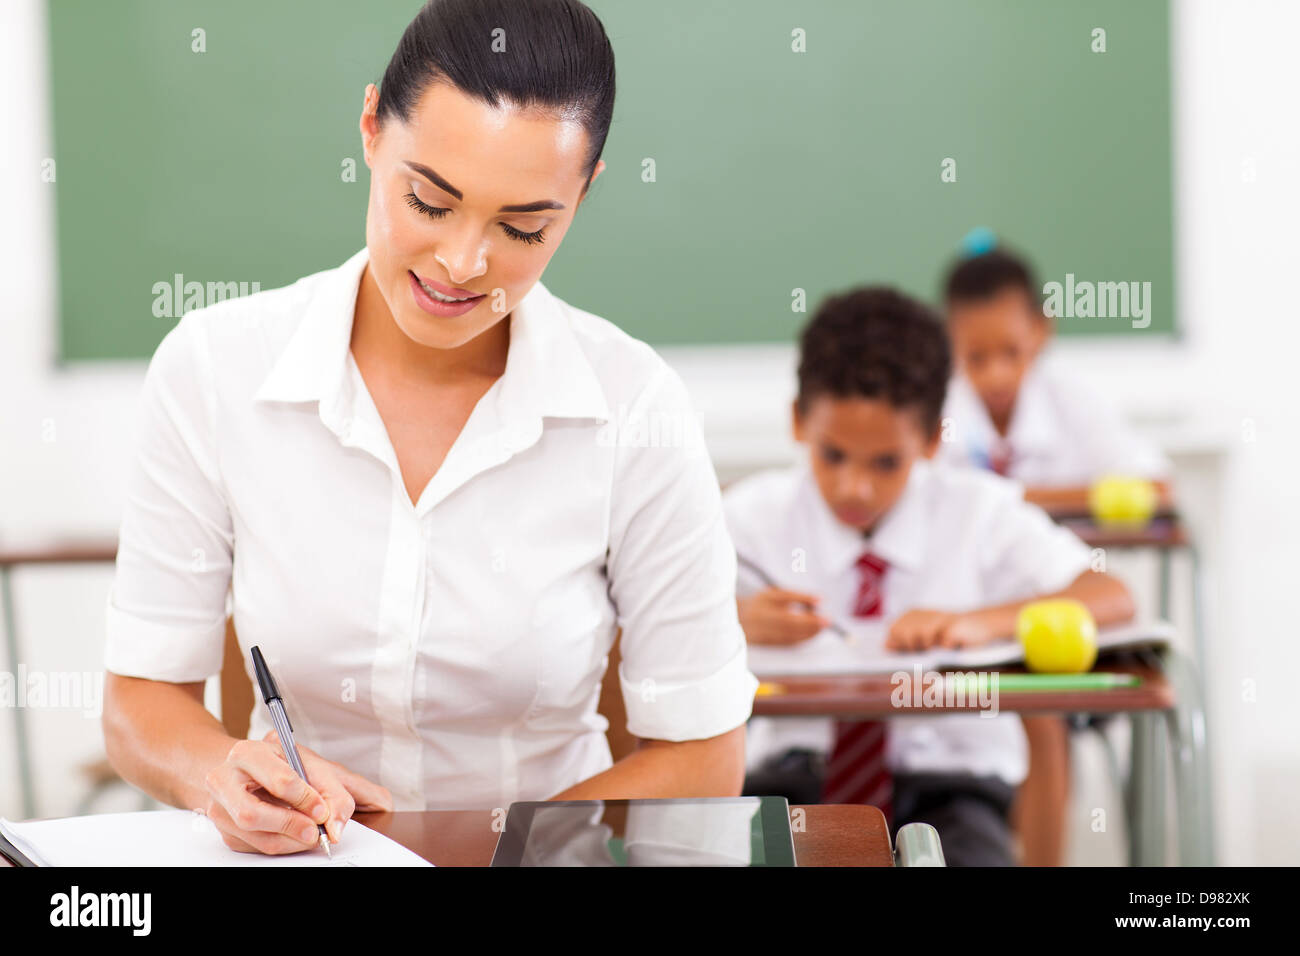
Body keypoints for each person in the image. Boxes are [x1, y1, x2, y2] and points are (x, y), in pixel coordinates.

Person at [102, 0, 756, 856]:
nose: (461, 264)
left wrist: (504, 850)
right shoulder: (214, 370)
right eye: (429, 201)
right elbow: (139, 702)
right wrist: (218, 770)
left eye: (524, 226)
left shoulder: (634, 408)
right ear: (371, 127)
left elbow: (704, 757)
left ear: (584, 191)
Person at [723, 286, 1135, 865]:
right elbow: (644, 622)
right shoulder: (751, 518)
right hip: (794, 783)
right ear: (798, 423)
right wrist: (730, 617)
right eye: (833, 455)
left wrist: (978, 622)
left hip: (952, 789)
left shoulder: (978, 512)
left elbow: (1109, 593)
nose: (854, 487)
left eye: (885, 462)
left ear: (930, 438)